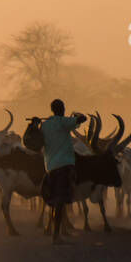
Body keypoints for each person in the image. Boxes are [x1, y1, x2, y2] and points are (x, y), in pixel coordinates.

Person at [40, 99, 86, 245]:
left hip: (50, 166)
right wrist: (77, 116)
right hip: (64, 165)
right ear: (62, 109)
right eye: (63, 108)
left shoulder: (45, 125)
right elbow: (82, 119)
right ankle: (56, 235)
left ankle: (58, 231)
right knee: (60, 201)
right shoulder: (64, 122)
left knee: (55, 200)